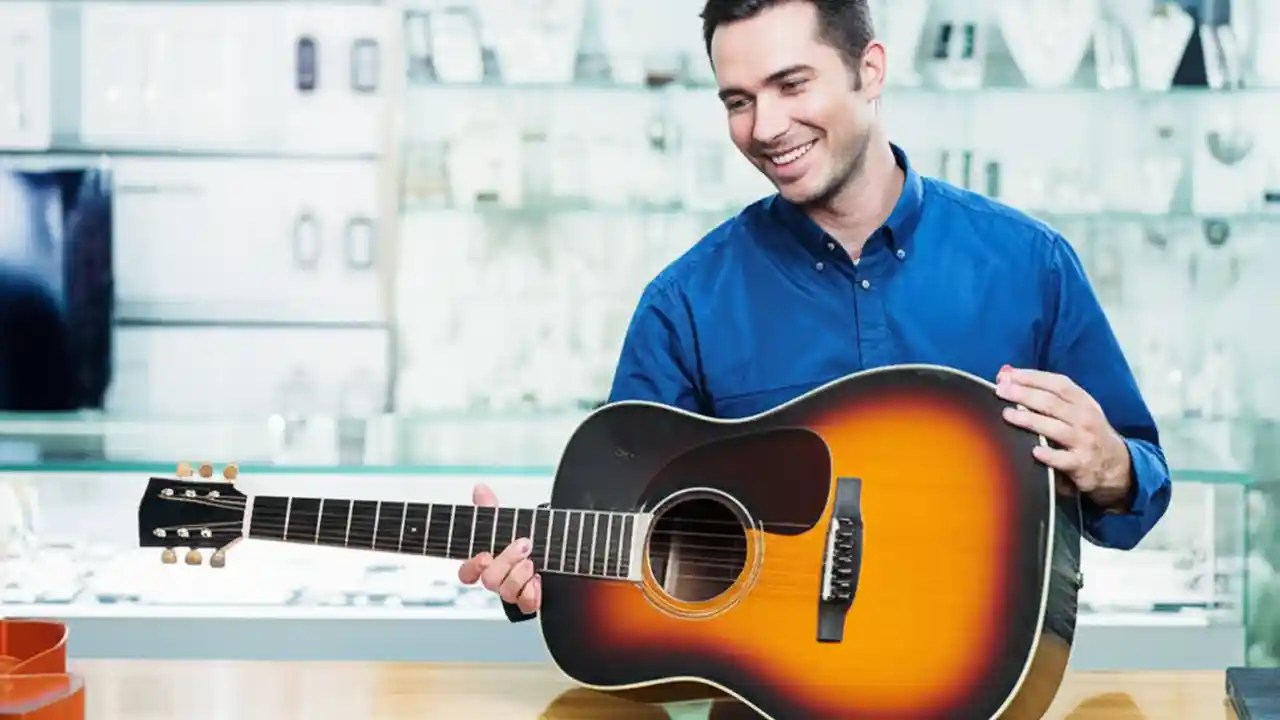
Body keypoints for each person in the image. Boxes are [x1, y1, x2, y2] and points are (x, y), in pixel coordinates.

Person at [458, 0, 1172, 622]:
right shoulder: (684, 305)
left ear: (870, 70)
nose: (766, 126)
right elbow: (628, 536)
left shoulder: (1031, 265)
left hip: (991, 694)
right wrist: (542, 578)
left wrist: (1113, 466)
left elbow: (1140, 484)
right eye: (738, 101)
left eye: (791, 84)